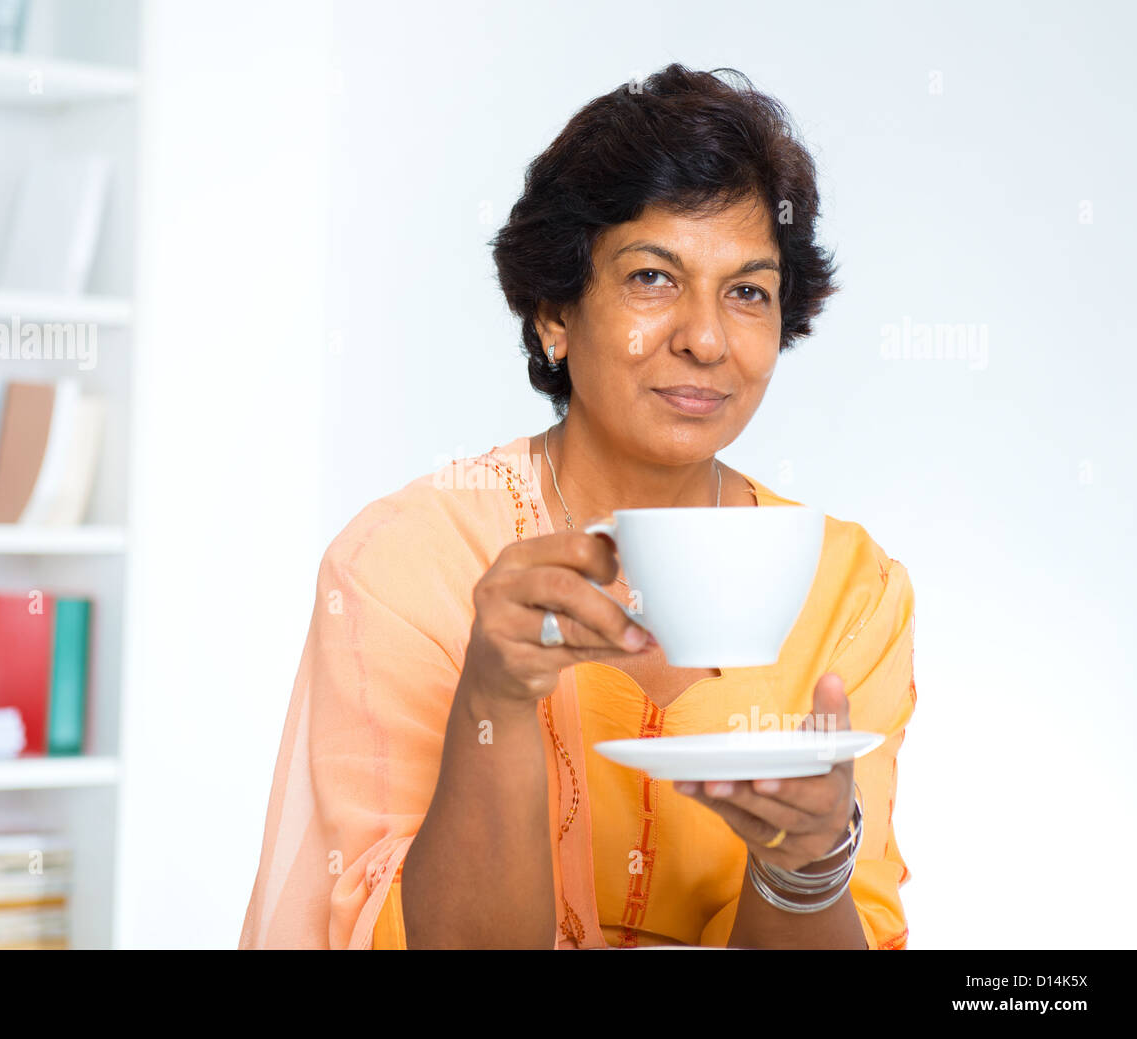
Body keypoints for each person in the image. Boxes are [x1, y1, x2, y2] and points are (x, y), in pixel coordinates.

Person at [238, 63, 915, 950]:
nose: (706, 339)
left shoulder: (848, 589)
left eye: (747, 291)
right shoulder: (406, 562)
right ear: (554, 314)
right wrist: (496, 694)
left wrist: (808, 861)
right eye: (652, 278)